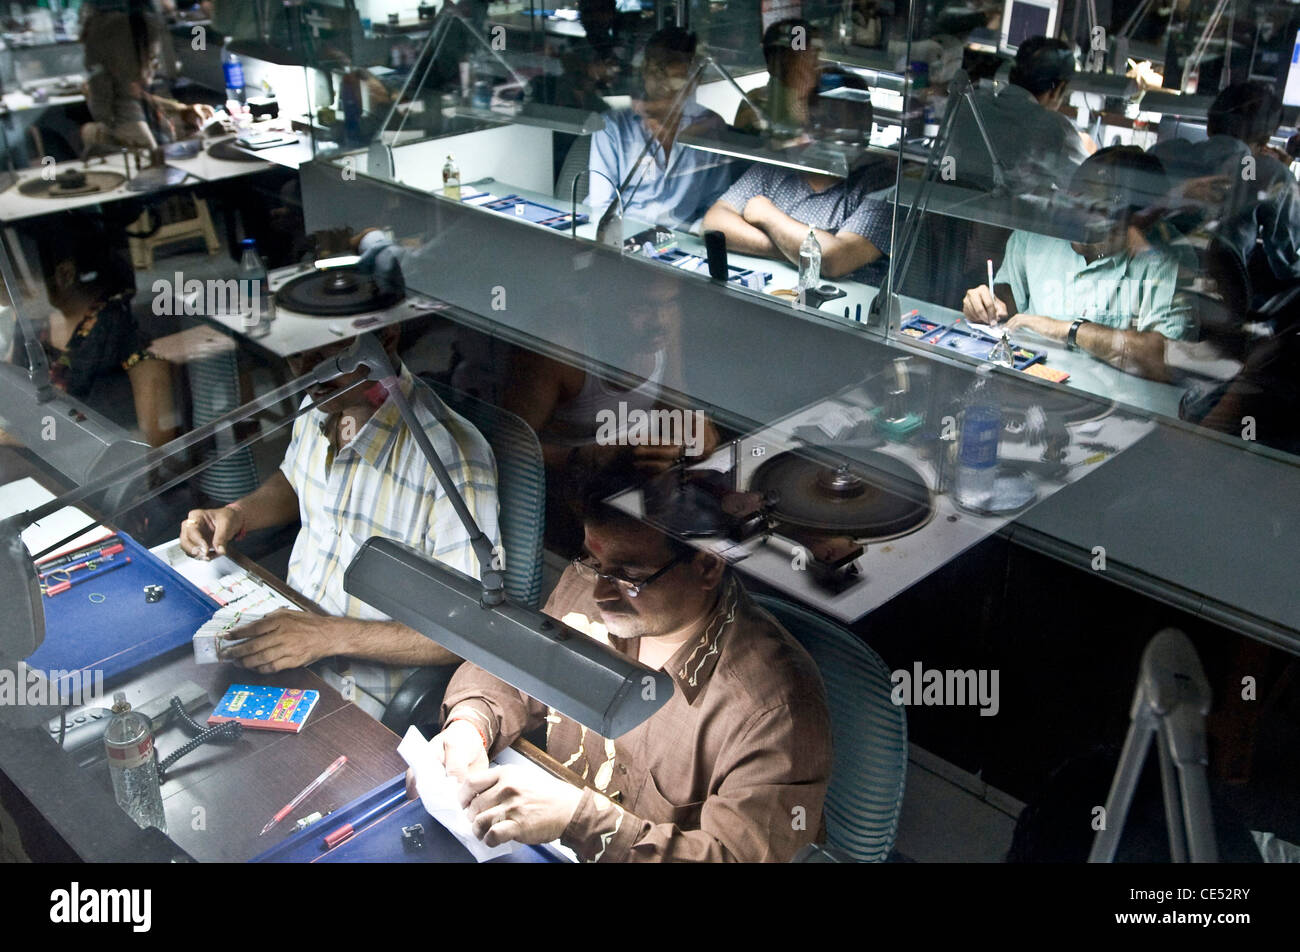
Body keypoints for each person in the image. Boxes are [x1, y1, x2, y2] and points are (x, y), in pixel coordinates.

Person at [423, 488, 832, 862]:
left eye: (629, 576)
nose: (601, 592)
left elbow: (736, 858)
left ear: (707, 566)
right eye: (594, 562)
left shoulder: (774, 709)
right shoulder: (588, 588)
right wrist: (470, 724)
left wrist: (578, 819)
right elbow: (516, 666)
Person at [177, 326, 501, 720]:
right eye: (297, 357)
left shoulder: (452, 462)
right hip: (286, 639)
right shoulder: (323, 403)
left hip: (358, 690)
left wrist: (327, 635)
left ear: (386, 338)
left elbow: (468, 630)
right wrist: (237, 513)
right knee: (178, 695)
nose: (306, 373)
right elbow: (298, 481)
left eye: (327, 357)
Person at [962, 146, 1196, 381]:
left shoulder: (1166, 256)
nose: (1075, 219)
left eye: (1096, 210)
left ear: (1138, 222)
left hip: (1113, 403)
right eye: (1073, 200)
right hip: (1029, 385)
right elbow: (1007, 302)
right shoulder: (1038, 233)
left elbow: (1168, 360)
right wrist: (986, 304)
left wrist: (1068, 329)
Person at [701, 96, 895, 284]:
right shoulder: (779, 163)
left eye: (834, 119)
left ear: (864, 125)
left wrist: (767, 216)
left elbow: (836, 260)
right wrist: (795, 251)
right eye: (815, 119)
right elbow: (713, 223)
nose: (821, 129)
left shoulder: (880, 180)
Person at [1150, 82, 1300, 307]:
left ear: (1211, 122)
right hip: (1210, 302)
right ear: (1267, 137)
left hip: (1146, 283)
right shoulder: (1264, 170)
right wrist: (1280, 174)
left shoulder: (1166, 151)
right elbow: (1284, 262)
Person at [587, 27, 737, 231]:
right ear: (643, 69)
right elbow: (600, 204)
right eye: (655, 66)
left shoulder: (710, 126)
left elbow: (714, 203)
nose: (661, 77)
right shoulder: (612, 126)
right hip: (621, 236)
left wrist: (695, 239)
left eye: (672, 67)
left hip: (680, 242)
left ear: (694, 76)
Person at [945, 35, 1092, 193]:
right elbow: (1087, 186)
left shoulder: (971, 105)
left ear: (1011, 73)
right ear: (1057, 89)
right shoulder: (1055, 127)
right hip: (1003, 216)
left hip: (951, 206)